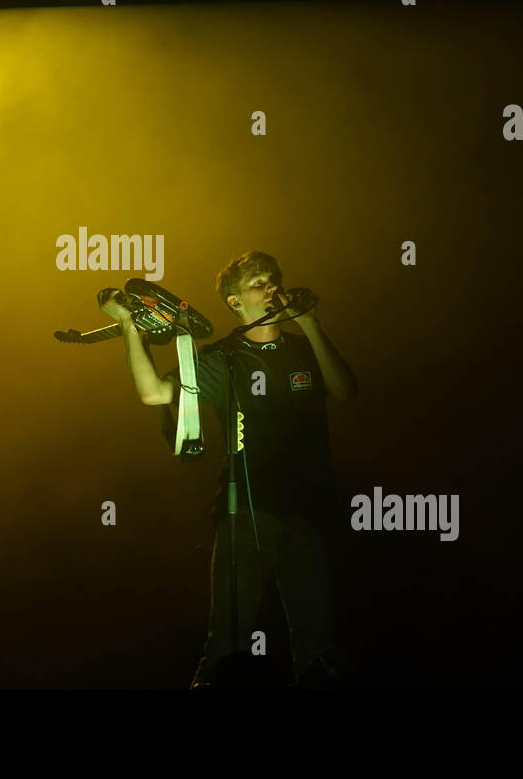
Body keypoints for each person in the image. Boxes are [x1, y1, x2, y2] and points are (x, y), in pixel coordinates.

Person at [98, 250, 359, 688]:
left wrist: (310, 322)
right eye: (258, 282)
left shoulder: (304, 347)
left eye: (273, 279)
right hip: (244, 518)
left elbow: (346, 391)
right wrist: (128, 326)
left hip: (310, 514)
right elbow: (155, 394)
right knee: (226, 650)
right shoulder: (226, 358)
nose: (271, 287)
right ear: (235, 302)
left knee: (320, 654)